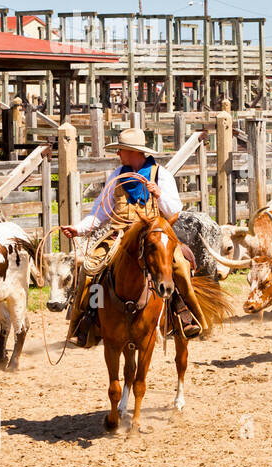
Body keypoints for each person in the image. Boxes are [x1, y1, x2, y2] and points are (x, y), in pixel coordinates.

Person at [60, 128, 206, 347]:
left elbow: (174, 210)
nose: (118, 154)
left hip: (154, 236)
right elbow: (100, 212)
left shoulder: (161, 175)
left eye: (122, 150)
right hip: (119, 235)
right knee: (90, 268)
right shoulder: (117, 176)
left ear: (133, 152)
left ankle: (185, 313)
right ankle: (86, 319)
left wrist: (158, 194)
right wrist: (79, 229)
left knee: (180, 268)